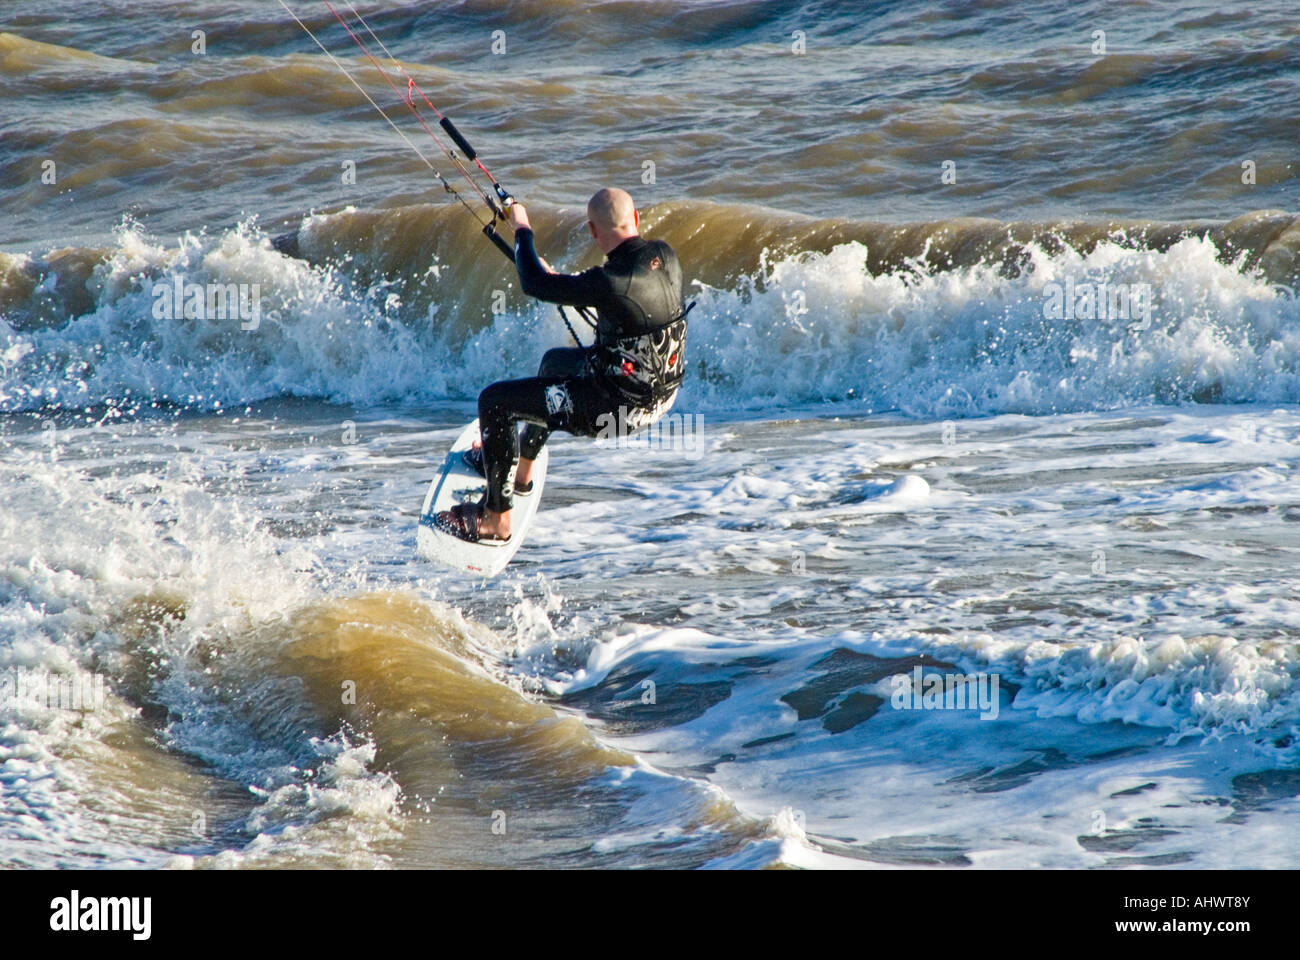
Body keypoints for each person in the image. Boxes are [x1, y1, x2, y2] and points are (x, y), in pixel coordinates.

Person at [435, 187, 689, 543]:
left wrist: (521, 223)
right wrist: (565, 285)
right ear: (635, 220)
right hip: (660, 396)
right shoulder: (665, 255)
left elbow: (533, 284)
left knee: (495, 402)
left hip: (617, 411)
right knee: (554, 362)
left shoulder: (608, 282)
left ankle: (496, 519)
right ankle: (520, 473)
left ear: (592, 232)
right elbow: (625, 297)